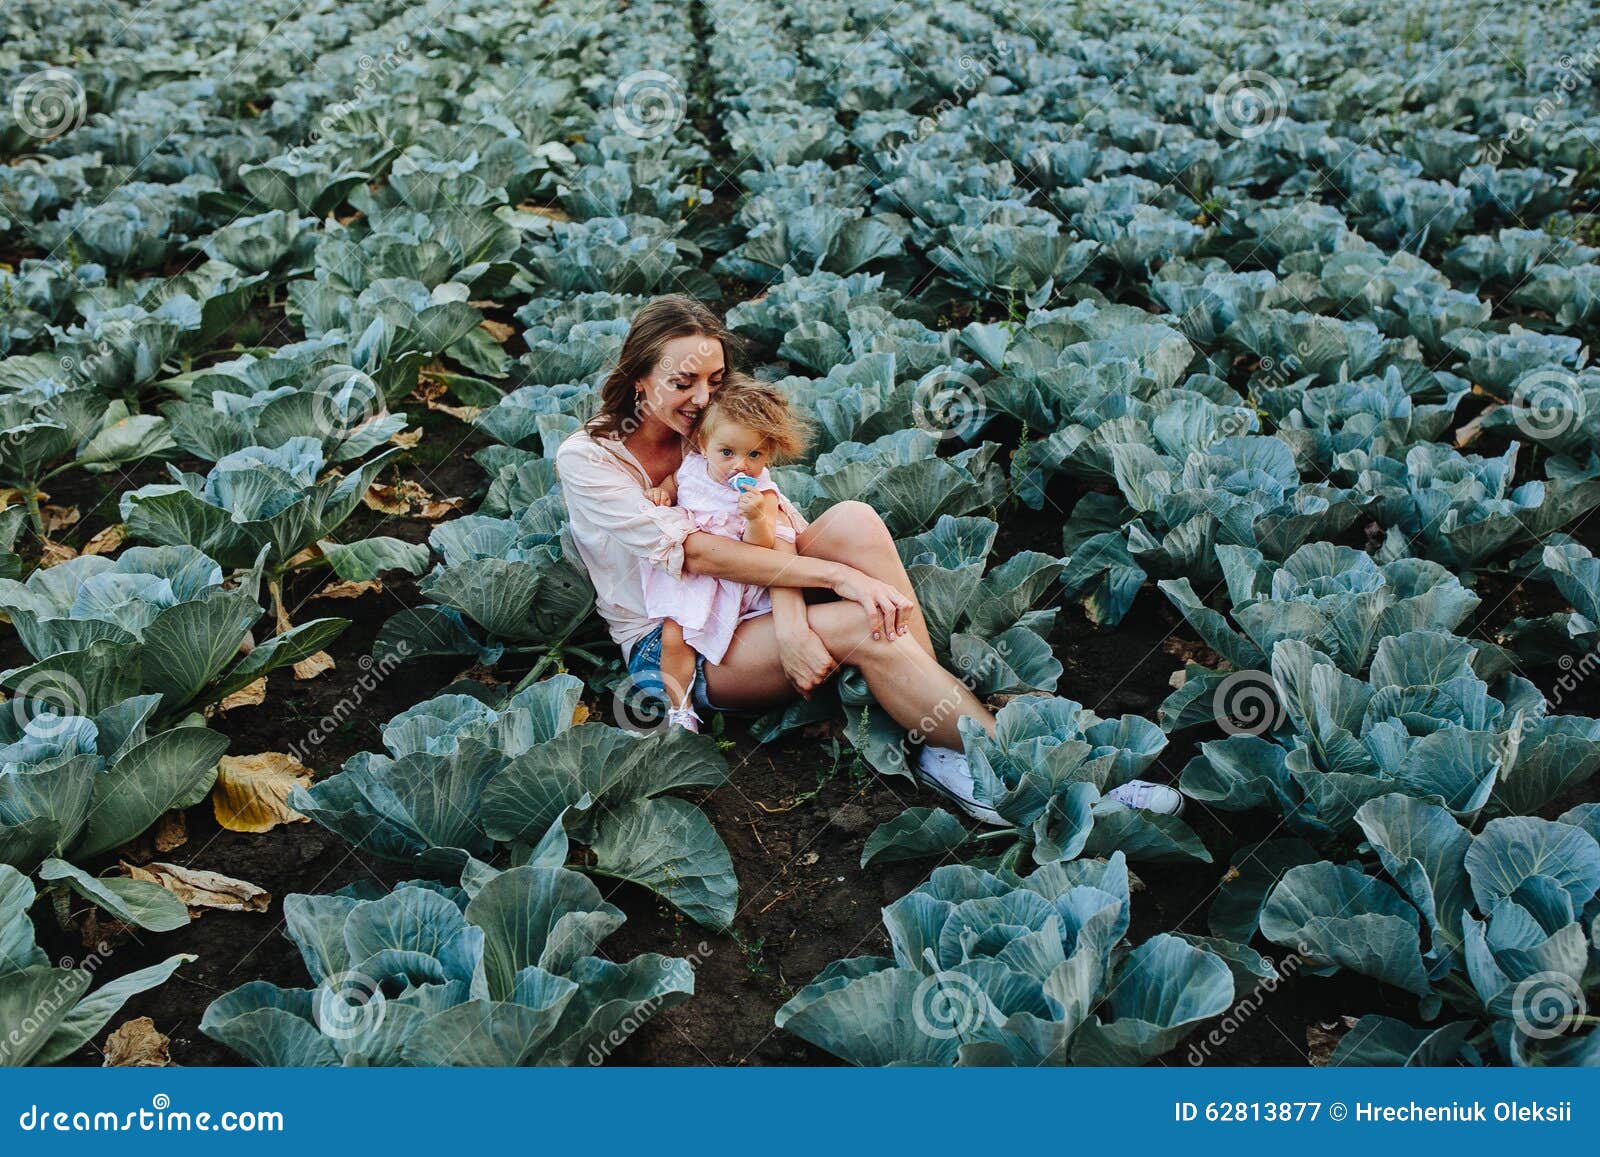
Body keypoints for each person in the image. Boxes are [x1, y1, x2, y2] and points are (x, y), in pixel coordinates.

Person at [556, 295, 1183, 823]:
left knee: (854, 518)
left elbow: (773, 534)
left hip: (756, 596)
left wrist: (798, 621)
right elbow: (696, 555)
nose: (700, 397)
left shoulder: (715, 431)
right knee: (863, 617)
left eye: (714, 380)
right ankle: (1047, 784)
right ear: (638, 378)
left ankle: (940, 737)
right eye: (681, 381)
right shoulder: (589, 458)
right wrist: (837, 578)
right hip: (682, 641)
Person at [639, 374, 809, 733]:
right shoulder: (692, 468)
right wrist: (662, 494)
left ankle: (773, 695)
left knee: (736, 634)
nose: (740, 465)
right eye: (727, 452)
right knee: (674, 636)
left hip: (737, 577)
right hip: (695, 574)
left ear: (769, 455)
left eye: (754, 454)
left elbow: (760, 547)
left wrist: (754, 517)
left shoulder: (761, 493)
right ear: (703, 444)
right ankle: (681, 708)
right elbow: (675, 486)